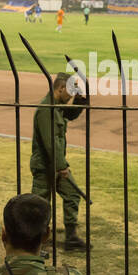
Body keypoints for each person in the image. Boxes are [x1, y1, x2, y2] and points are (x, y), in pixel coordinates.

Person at [31, 72, 89, 252]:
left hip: (56, 164)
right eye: (70, 92)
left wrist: (80, 102)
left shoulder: (57, 106)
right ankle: (36, 241)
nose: (71, 95)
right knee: (40, 204)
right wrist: (62, 166)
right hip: (45, 166)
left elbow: (69, 115)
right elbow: (50, 143)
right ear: (60, 88)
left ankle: (71, 238)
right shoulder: (45, 109)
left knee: (72, 195)